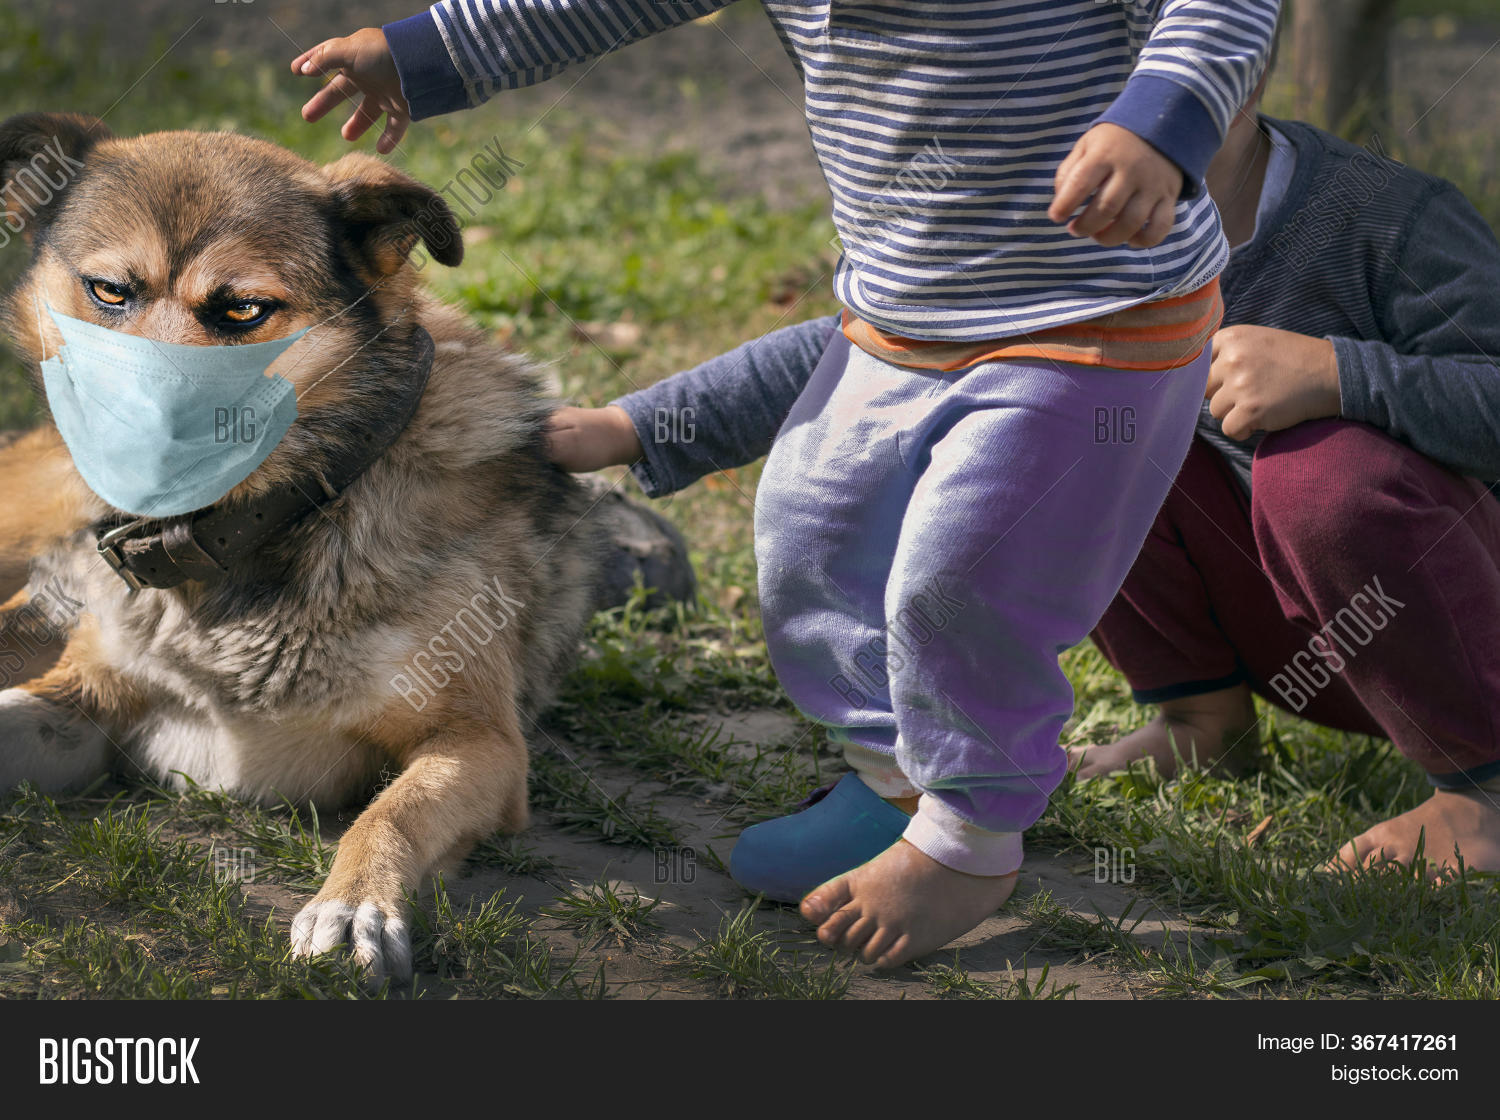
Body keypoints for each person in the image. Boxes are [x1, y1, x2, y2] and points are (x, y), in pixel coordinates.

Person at [294, 1, 1278, 966]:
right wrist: (418, 54)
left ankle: (972, 839)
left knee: (960, 576)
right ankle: (895, 777)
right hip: (899, 316)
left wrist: (1159, 123)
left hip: (1098, 319)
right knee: (808, 529)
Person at [551, 71, 1500, 878]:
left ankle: (1482, 795)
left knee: (1320, 474)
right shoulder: (1052, 225)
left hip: (1465, 642)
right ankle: (1202, 719)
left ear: (1237, 62)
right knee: (1090, 409)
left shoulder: (1386, 218)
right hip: (1314, 648)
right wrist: (628, 426)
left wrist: (1343, 376)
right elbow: (870, 354)